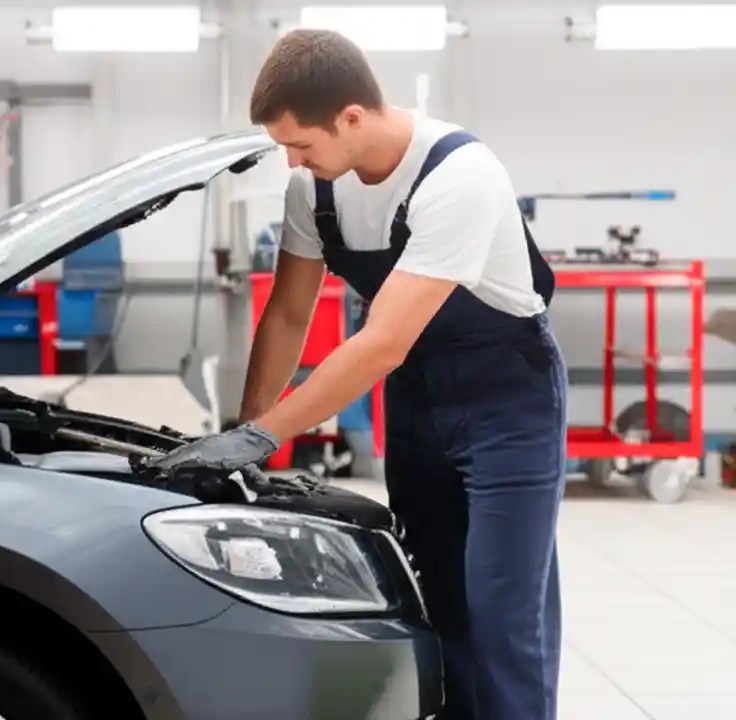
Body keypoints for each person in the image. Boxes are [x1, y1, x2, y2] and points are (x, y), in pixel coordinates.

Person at [147, 28, 568, 720]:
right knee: (437, 599)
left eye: (301, 144)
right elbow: (287, 314)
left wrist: (263, 438)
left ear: (351, 116)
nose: (293, 159)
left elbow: (382, 344)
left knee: (503, 607)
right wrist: (249, 432)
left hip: (507, 402)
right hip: (418, 403)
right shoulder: (314, 190)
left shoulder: (458, 174)